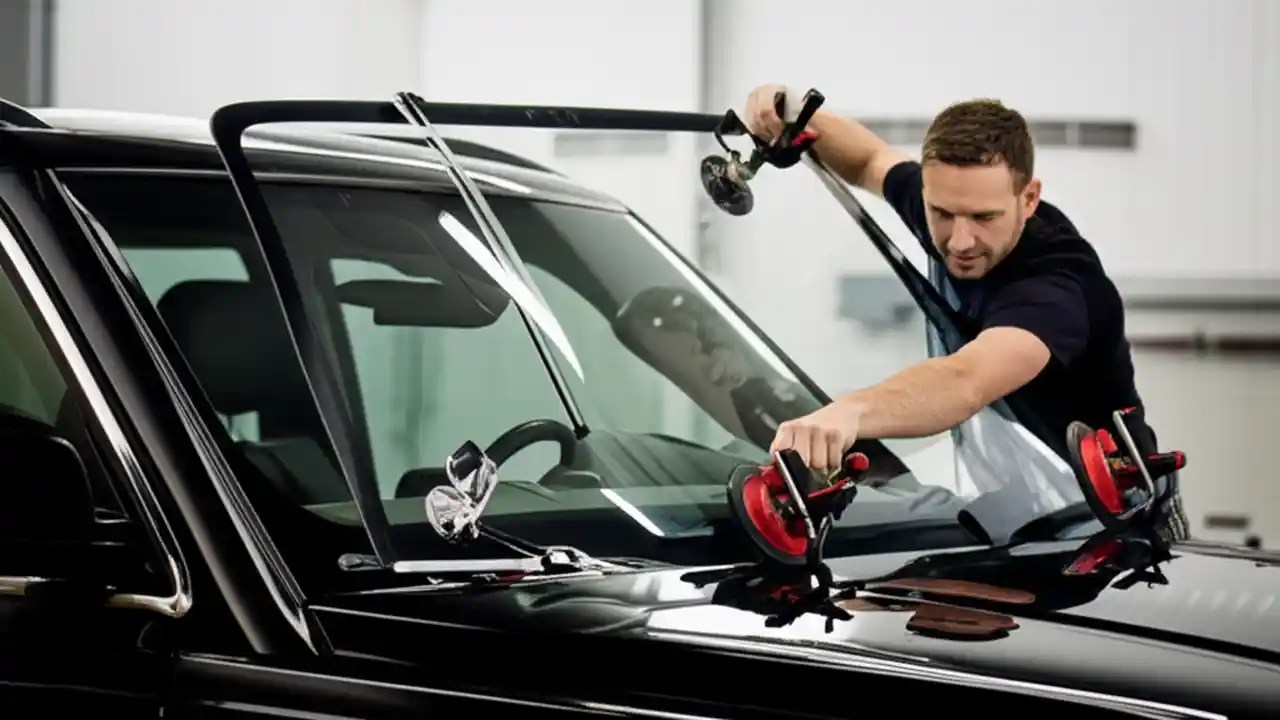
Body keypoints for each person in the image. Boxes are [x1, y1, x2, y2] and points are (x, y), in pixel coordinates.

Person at [743, 84, 1150, 472]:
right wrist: (789, 111)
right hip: (1020, 490)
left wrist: (848, 413)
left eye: (984, 217)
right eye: (941, 213)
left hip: (1106, 504)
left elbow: (965, 380)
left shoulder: (1056, 285)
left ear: (1028, 199)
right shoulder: (948, 201)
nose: (960, 241)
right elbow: (871, 160)